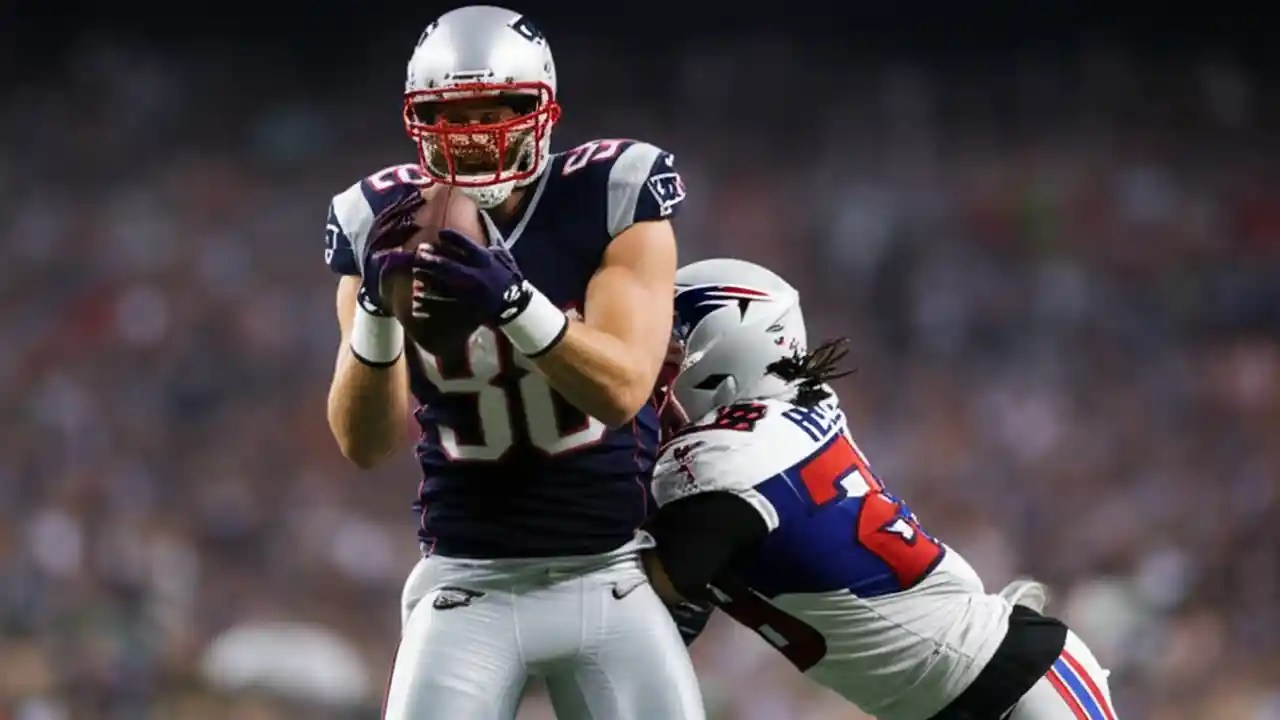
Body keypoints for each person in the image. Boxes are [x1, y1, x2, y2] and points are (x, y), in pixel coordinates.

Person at [321, 6, 703, 719]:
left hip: (610, 570)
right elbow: (364, 443)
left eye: (497, 109)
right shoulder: (383, 221)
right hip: (468, 579)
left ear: (544, 109)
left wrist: (514, 302)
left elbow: (622, 387)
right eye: (453, 115)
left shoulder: (611, 192)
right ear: (418, 122)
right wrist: (375, 312)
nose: (475, 134)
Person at [642, 258, 1119, 720]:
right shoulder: (778, 426)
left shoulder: (727, 465)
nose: (650, 368)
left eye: (670, 351)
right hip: (968, 688)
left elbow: (643, 589)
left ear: (726, 354)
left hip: (1014, 680)